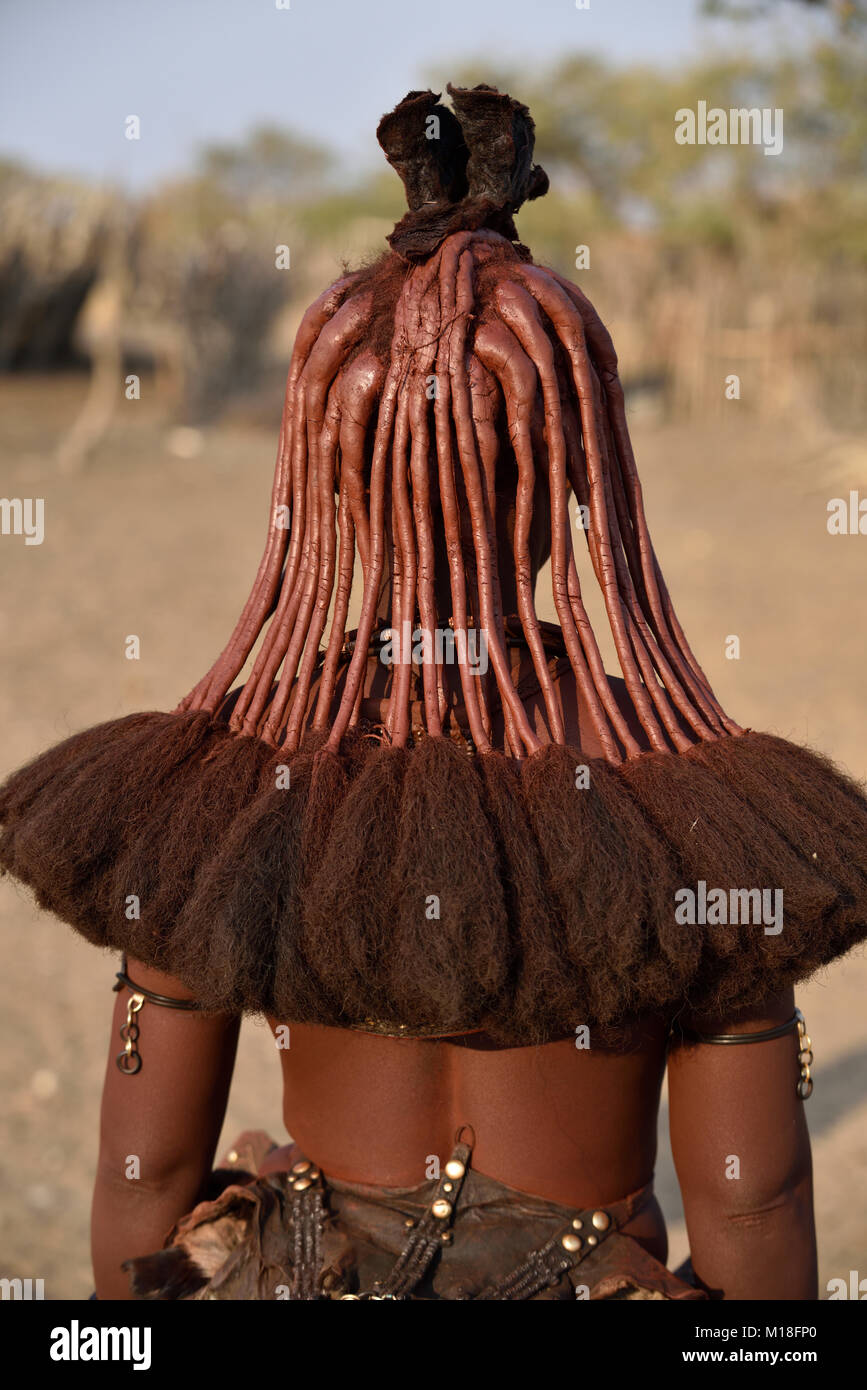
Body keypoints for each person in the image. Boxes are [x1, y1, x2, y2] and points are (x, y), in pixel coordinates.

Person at [2, 84, 862, 1301]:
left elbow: (141, 1181)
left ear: (330, 473)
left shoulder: (218, 794)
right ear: (571, 473)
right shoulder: (694, 810)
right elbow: (751, 1199)